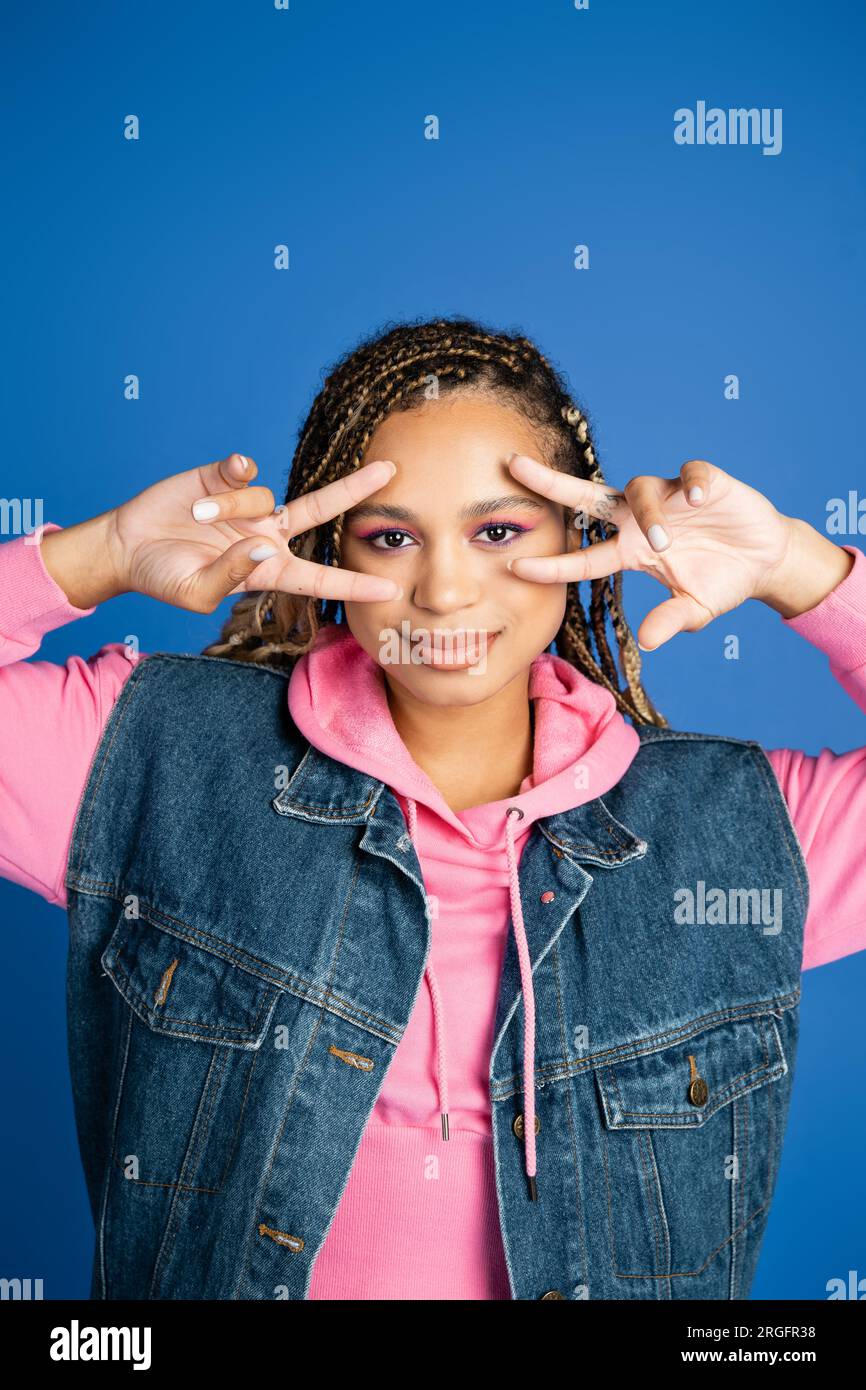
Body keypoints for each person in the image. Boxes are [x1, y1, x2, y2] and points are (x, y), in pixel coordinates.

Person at [2, 315, 864, 1301]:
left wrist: (796, 570)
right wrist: (97, 555)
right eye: (390, 537)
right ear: (332, 549)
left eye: (497, 530)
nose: (445, 588)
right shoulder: (156, 758)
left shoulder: (732, 835)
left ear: (581, 540)